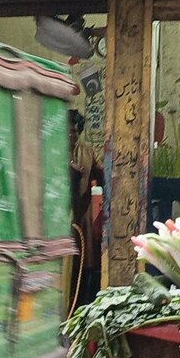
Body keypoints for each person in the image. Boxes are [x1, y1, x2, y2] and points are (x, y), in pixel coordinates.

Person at [68, 110, 103, 304]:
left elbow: (99, 173)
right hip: (63, 212)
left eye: (75, 132)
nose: (71, 136)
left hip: (83, 210)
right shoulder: (53, 149)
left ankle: (81, 301)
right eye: (68, 132)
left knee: (85, 258)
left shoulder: (87, 150)